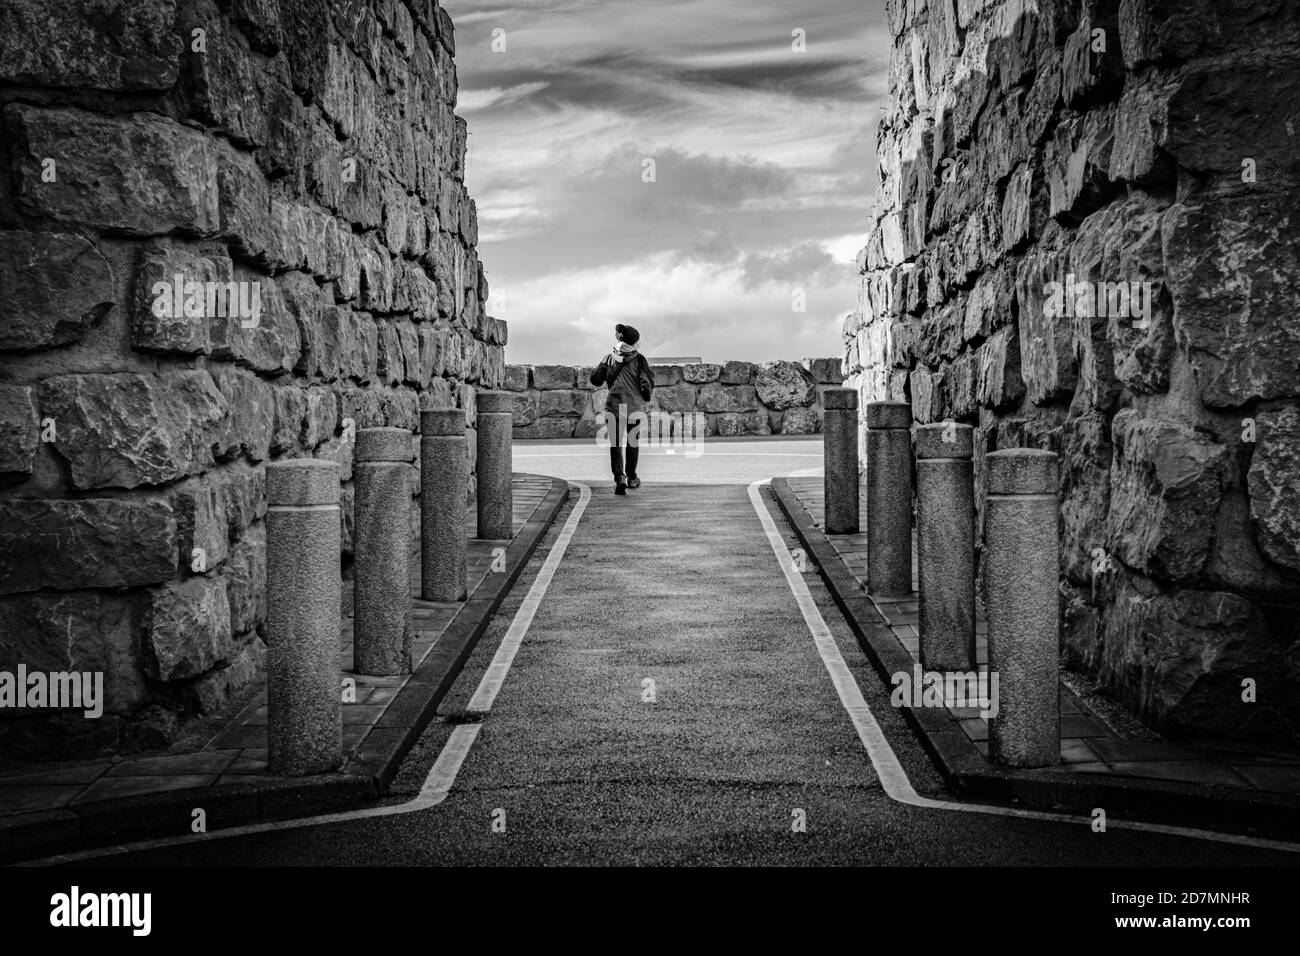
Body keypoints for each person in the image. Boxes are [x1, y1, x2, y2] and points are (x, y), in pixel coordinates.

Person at [589, 323, 654, 495]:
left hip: (615, 407)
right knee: (633, 442)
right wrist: (645, 398)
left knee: (615, 443)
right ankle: (632, 477)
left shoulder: (609, 358)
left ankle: (619, 477)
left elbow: (595, 380)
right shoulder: (640, 360)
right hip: (634, 408)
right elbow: (646, 384)